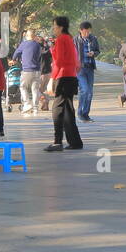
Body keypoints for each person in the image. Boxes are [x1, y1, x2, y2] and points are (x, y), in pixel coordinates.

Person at [44, 16, 82, 152]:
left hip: (63, 77)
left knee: (57, 109)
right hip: (70, 76)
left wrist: (51, 80)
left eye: (54, 26)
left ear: (60, 27)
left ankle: (57, 141)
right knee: (67, 110)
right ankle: (75, 141)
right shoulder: (68, 39)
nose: (53, 29)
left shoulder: (61, 39)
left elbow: (58, 62)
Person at [13, 29, 43, 115]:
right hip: (36, 70)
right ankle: (35, 108)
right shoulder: (37, 45)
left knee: (22, 87)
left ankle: (27, 104)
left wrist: (14, 60)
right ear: (34, 36)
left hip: (26, 70)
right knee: (35, 89)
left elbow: (16, 53)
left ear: (27, 36)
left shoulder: (24, 44)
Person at [76, 21, 99, 122]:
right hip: (80, 69)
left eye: (88, 32)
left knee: (90, 92)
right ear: (80, 30)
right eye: (85, 32)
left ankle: (86, 114)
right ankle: (80, 113)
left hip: (90, 68)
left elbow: (98, 50)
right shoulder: (75, 40)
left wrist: (93, 53)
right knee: (84, 90)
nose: (87, 34)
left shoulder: (93, 39)